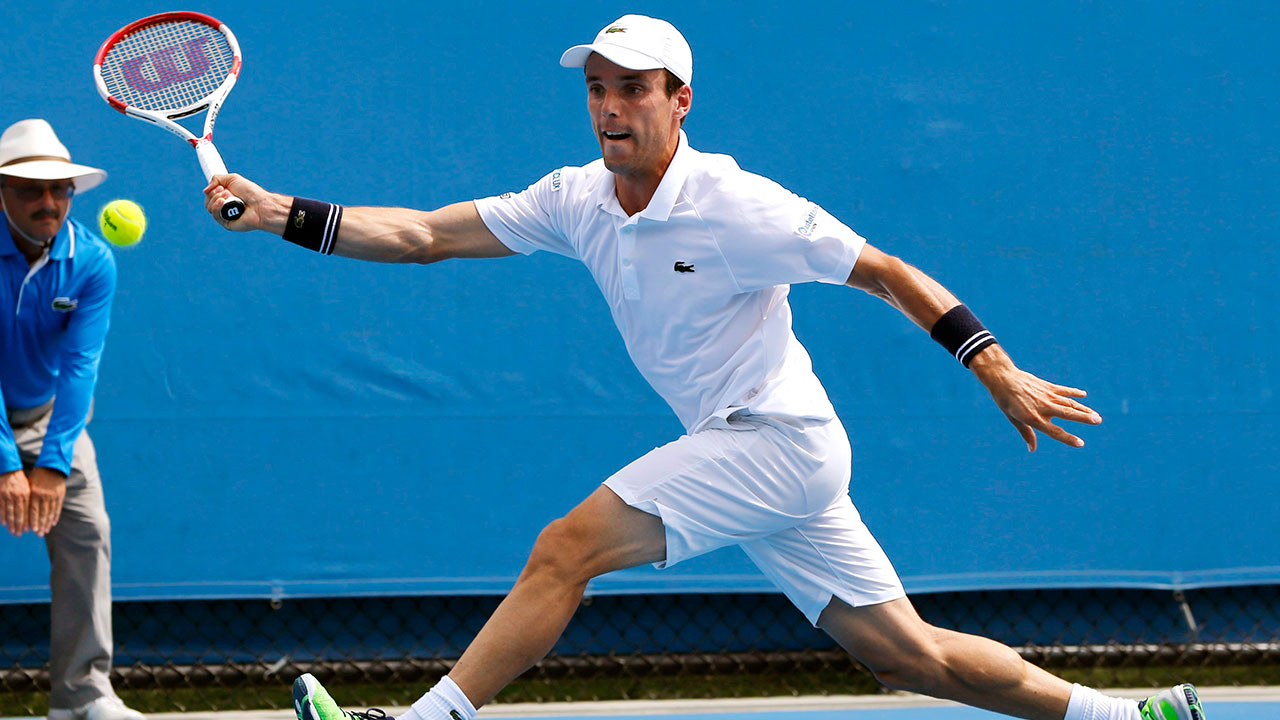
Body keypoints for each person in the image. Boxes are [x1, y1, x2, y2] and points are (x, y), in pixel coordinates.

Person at [203, 15, 1204, 720]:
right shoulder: (575, 197)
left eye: (632, 88)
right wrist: (280, 212)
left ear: (678, 101)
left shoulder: (738, 206)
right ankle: (1132, 718)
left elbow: (887, 273)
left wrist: (991, 365)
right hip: (753, 452)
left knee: (565, 547)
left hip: (778, 440)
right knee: (910, 658)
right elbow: (422, 234)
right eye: (595, 88)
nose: (609, 107)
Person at [0, 119, 144, 720]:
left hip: (47, 415)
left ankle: (82, 697)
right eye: (31, 190)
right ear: (1, 192)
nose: (48, 202)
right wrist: (6, 462)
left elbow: (80, 368)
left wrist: (54, 465)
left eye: (59, 188)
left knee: (88, 531)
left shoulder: (92, 262)